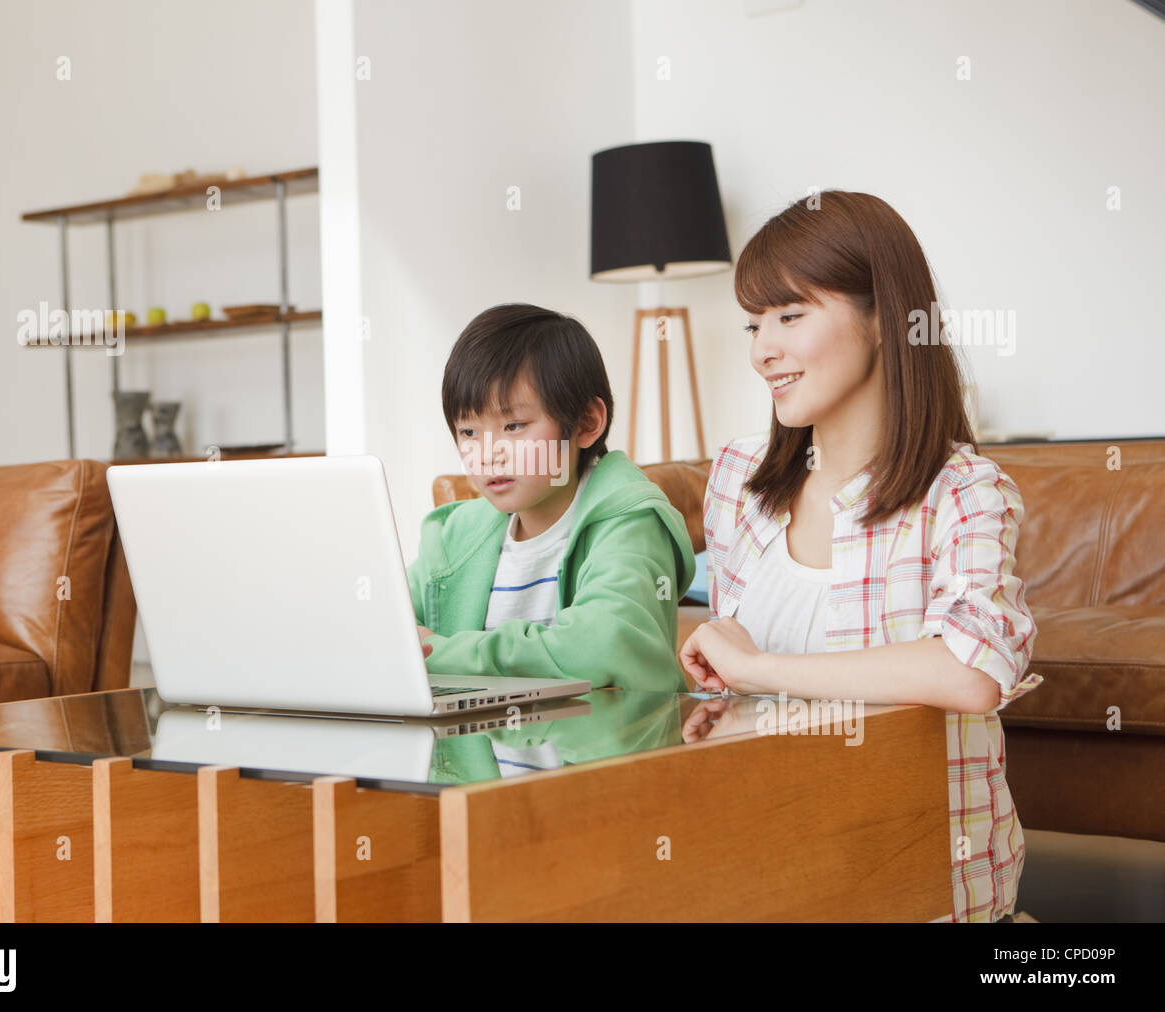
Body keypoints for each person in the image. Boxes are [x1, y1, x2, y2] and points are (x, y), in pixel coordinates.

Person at [684, 191, 1041, 923]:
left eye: (790, 316)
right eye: (755, 324)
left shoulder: (965, 491)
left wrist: (758, 669)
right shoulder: (737, 479)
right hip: (772, 871)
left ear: (884, 319)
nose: (762, 350)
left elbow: (972, 669)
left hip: (921, 893)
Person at [408, 303, 695, 692]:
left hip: (611, 746)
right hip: (478, 751)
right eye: (469, 432)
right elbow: (378, 627)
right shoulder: (452, 536)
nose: (488, 453)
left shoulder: (631, 523)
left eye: (513, 425)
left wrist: (434, 655)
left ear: (587, 423)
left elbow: (598, 649)